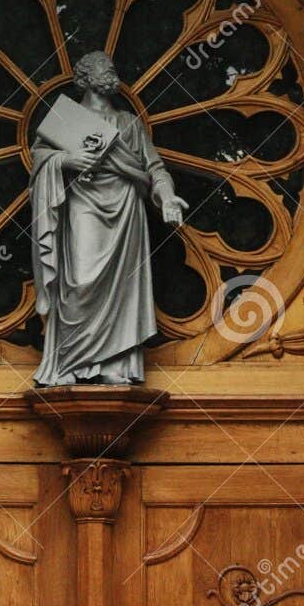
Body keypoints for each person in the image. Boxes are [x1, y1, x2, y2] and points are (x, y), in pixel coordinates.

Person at [29, 50, 187, 386]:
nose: (111, 68)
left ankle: (116, 362)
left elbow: (154, 167)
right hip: (82, 204)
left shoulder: (129, 122)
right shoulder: (66, 119)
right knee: (81, 281)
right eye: (102, 64)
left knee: (124, 288)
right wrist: (65, 161)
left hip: (127, 208)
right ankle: (69, 362)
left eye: (111, 66)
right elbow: (40, 160)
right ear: (84, 76)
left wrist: (167, 195)